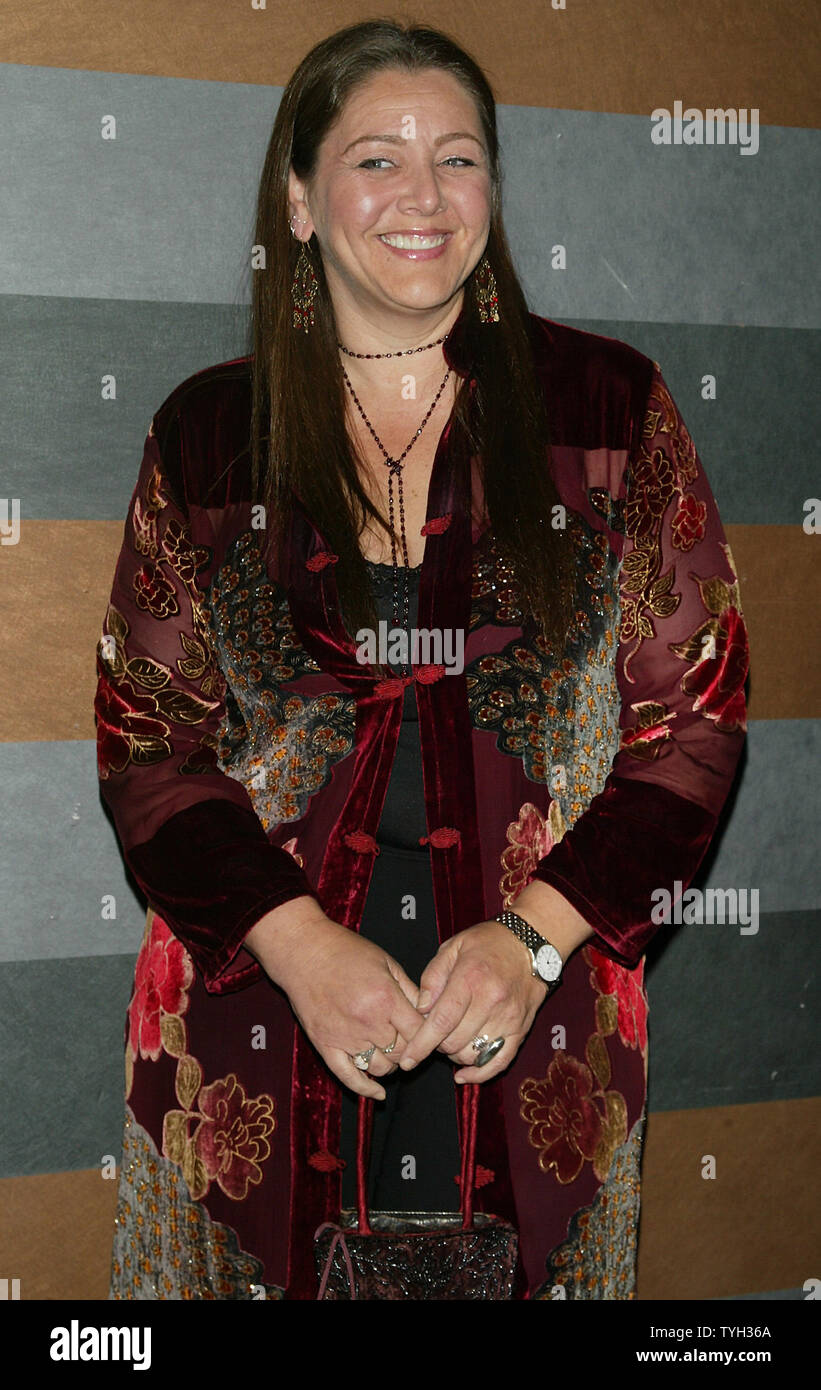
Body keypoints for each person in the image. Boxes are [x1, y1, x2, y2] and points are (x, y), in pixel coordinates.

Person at [95, 19, 748, 1300]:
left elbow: (693, 725)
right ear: (297, 196)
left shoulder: (606, 411)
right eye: (374, 159)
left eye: (457, 159)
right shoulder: (210, 431)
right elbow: (147, 741)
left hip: (532, 1023)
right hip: (258, 1022)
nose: (422, 197)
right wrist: (296, 943)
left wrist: (532, 940)